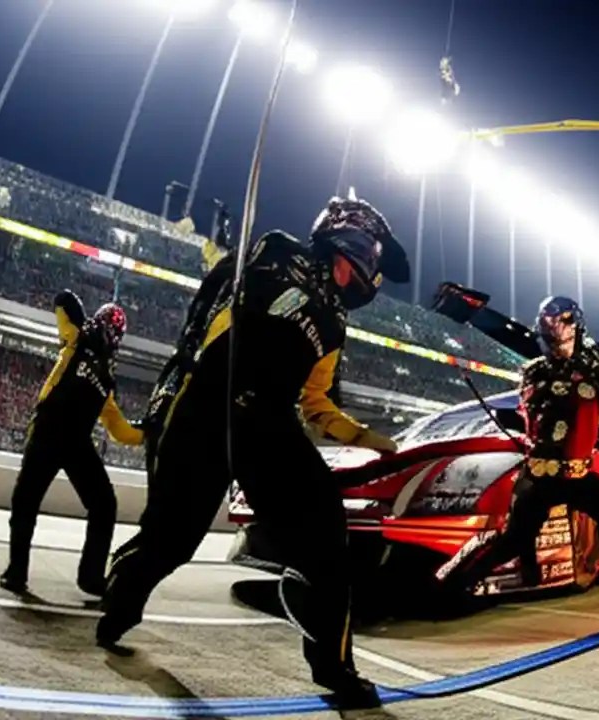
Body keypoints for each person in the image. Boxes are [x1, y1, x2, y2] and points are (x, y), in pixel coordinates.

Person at [98, 193, 407, 706]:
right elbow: (211, 297)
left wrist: (361, 435)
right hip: (207, 401)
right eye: (374, 257)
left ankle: (334, 666)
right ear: (349, 239)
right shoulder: (276, 250)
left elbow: (316, 401)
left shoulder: (335, 324)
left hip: (269, 421)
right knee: (173, 540)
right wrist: (179, 375)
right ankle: (121, 597)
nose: (375, 273)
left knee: (326, 527)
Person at [434, 296, 599, 606]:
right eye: (549, 323)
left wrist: (598, 360)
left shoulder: (593, 366)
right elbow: (541, 386)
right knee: (512, 541)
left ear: (576, 326)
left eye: (563, 322)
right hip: (539, 476)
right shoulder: (537, 371)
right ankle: (443, 588)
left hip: (576, 476)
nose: (557, 329)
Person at [0, 291, 142, 596]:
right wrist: (81, 318)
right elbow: (62, 300)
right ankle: (16, 571)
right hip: (48, 430)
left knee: (104, 504)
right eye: (109, 328)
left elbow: (119, 429)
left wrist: (148, 431)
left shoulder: (107, 378)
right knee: (26, 501)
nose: (111, 336)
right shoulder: (77, 338)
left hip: (76, 441)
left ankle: (91, 577)